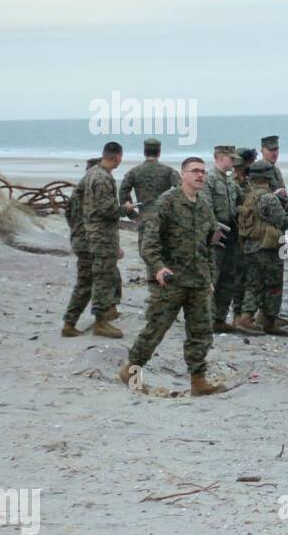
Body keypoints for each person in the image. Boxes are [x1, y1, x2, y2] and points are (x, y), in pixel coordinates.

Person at [119, 158, 225, 396]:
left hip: (197, 281)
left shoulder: (204, 205)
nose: (200, 175)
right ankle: (131, 371)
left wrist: (208, 276)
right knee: (156, 328)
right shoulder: (168, 202)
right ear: (183, 174)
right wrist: (158, 268)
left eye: (203, 171)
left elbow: (208, 245)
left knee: (201, 332)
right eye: (195, 171)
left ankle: (198, 382)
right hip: (171, 281)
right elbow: (149, 242)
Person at [236, 161, 288, 336]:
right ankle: (269, 321)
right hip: (268, 249)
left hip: (250, 246)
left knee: (253, 284)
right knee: (273, 285)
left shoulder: (249, 196)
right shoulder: (269, 198)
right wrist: (283, 204)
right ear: (268, 177)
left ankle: (245, 318)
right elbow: (284, 222)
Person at [78, 141, 126, 337]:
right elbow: (108, 210)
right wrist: (126, 209)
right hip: (102, 236)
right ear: (117, 157)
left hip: (96, 233)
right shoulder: (102, 178)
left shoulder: (92, 173)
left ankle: (109, 310)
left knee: (108, 274)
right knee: (104, 277)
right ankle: (101, 321)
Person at [61, 157, 101, 336]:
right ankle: (69, 324)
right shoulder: (93, 191)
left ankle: (105, 316)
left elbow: (68, 214)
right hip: (89, 244)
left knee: (103, 279)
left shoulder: (77, 191)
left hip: (81, 241)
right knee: (85, 284)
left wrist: (76, 233)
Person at [205, 144, 240, 333]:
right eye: (230, 158)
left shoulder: (230, 182)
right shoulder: (209, 179)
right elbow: (205, 206)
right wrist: (213, 229)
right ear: (219, 157)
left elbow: (239, 203)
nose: (233, 162)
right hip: (216, 234)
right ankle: (208, 318)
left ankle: (220, 317)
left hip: (230, 233)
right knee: (213, 277)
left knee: (229, 277)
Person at [119, 137, 179, 236]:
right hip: (164, 219)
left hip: (143, 219)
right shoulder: (169, 171)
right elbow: (181, 190)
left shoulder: (134, 171)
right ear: (159, 153)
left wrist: (132, 214)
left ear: (144, 153)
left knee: (145, 248)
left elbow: (123, 192)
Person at [229, 148, 257, 325]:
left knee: (246, 276)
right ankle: (237, 315)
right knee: (239, 277)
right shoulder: (232, 183)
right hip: (236, 235)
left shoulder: (247, 182)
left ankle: (242, 314)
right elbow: (231, 207)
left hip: (247, 234)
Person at [259, 134, 288, 219]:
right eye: (270, 150)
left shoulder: (276, 171)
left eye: (276, 149)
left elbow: (283, 196)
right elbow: (256, 199)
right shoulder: (257, 170)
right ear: (262, 151)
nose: (274, 153)